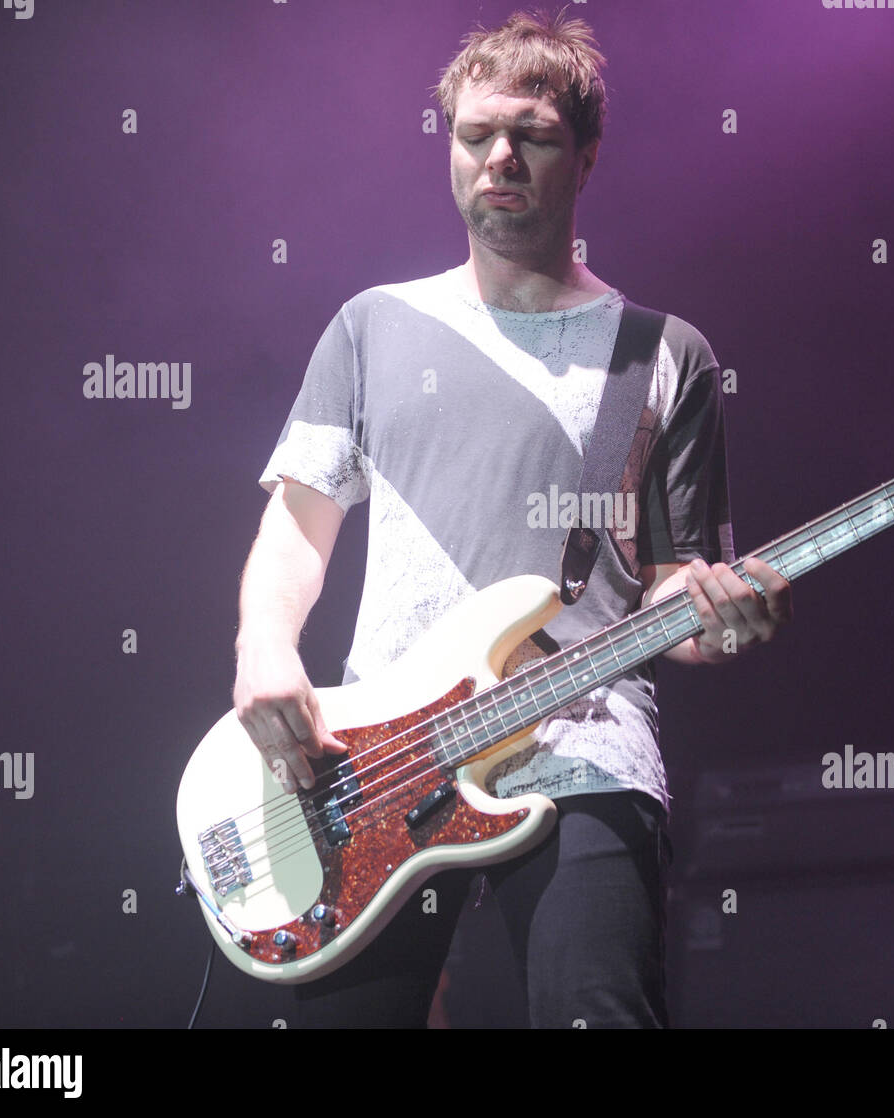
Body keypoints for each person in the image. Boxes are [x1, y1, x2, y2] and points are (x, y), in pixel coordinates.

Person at [232, 8, 792, 1028]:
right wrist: (264, 650)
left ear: (584, 154)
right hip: (383, 760)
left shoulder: (664, 354)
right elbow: (296, 528)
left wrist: (717, 617)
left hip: (585, 740)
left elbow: (672, 583)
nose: (499, 159)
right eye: (474, 134)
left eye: (531, 136)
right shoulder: (374, 325)